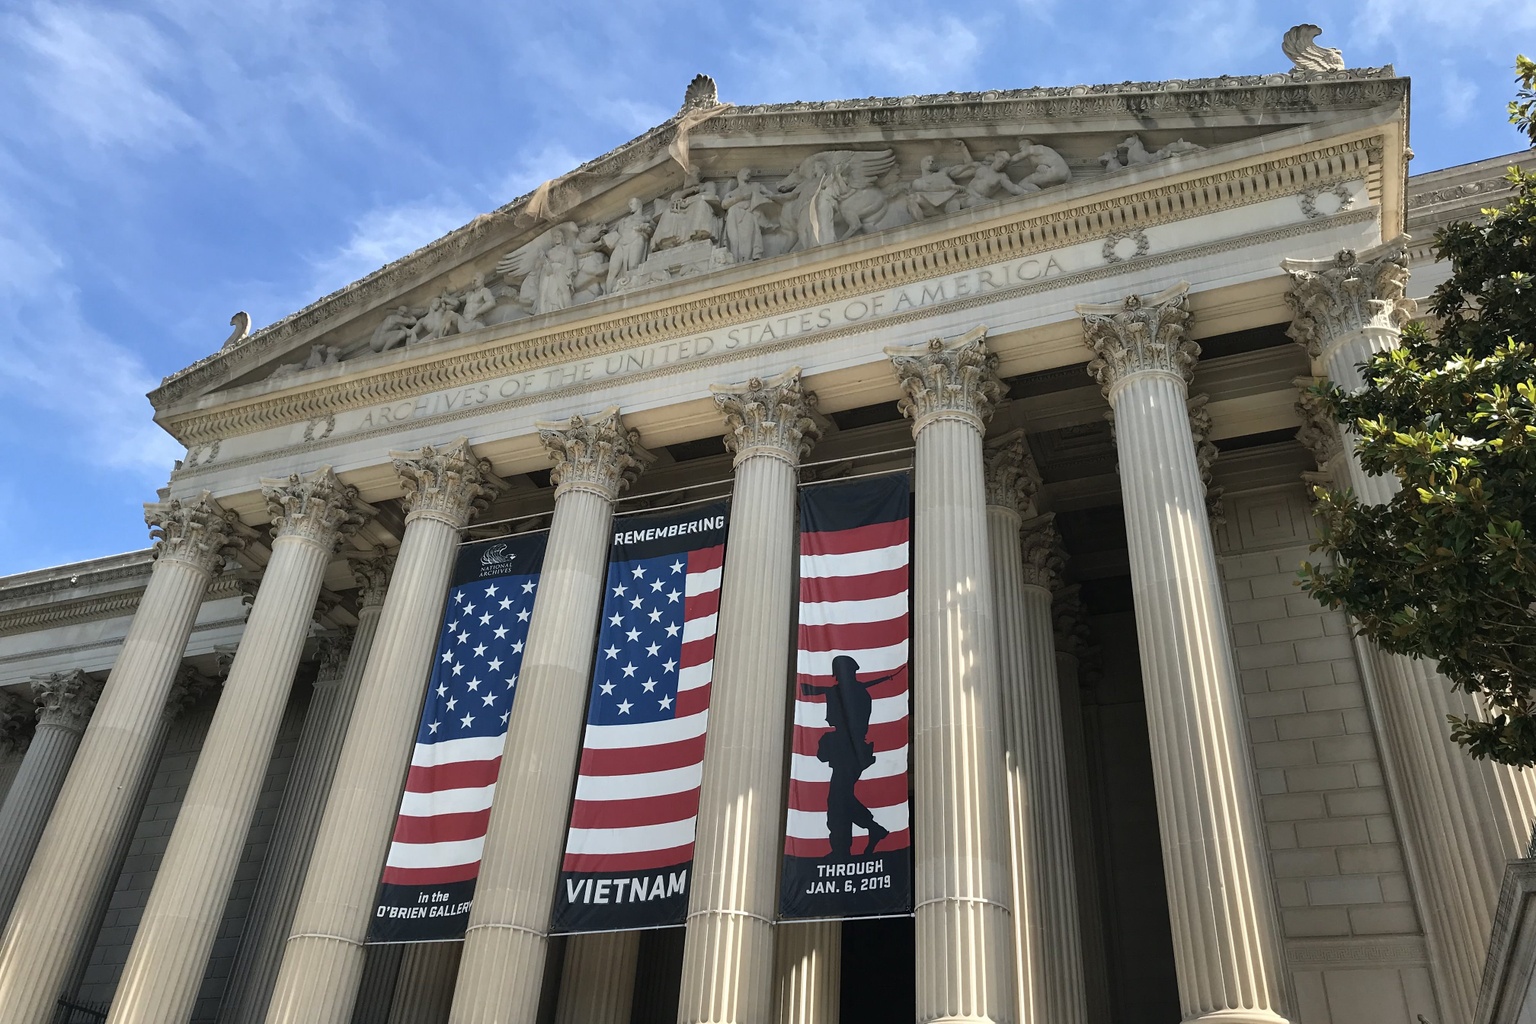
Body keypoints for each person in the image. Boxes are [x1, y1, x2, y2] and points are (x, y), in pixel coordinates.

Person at [801, 654, 897, 858]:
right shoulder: (847, 692)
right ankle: (869, 830)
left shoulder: (858, 695)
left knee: (837, 801)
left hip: (851, 750)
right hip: (844, 750)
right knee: (840, 800)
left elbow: (855, 724)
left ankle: (843, 848)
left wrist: (838, 695)